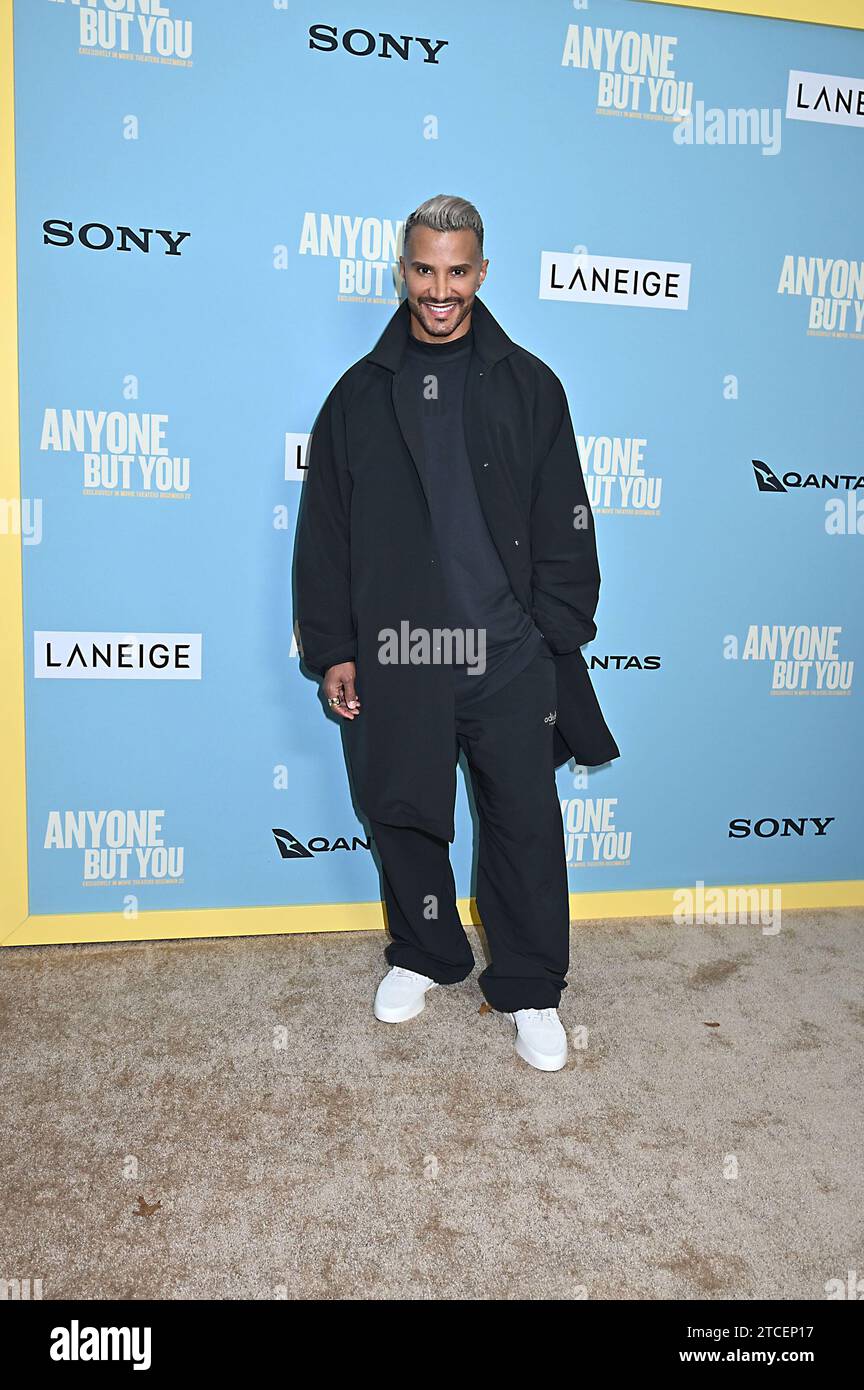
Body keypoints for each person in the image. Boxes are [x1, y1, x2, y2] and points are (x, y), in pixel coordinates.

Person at [294, 194, 619, 1072]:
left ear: (482, 271)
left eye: (458, 271)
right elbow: (324, 534)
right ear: (402, 272)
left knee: (522, 824)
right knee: (403, 815)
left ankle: (529, 985)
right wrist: (334, 647)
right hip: (401, 655)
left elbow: (568, 520)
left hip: (508, 653)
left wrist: (552, 632)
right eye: (425, 269)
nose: (441, 289)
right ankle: (427, 953)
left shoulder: (530, 384)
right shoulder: (359, 397)